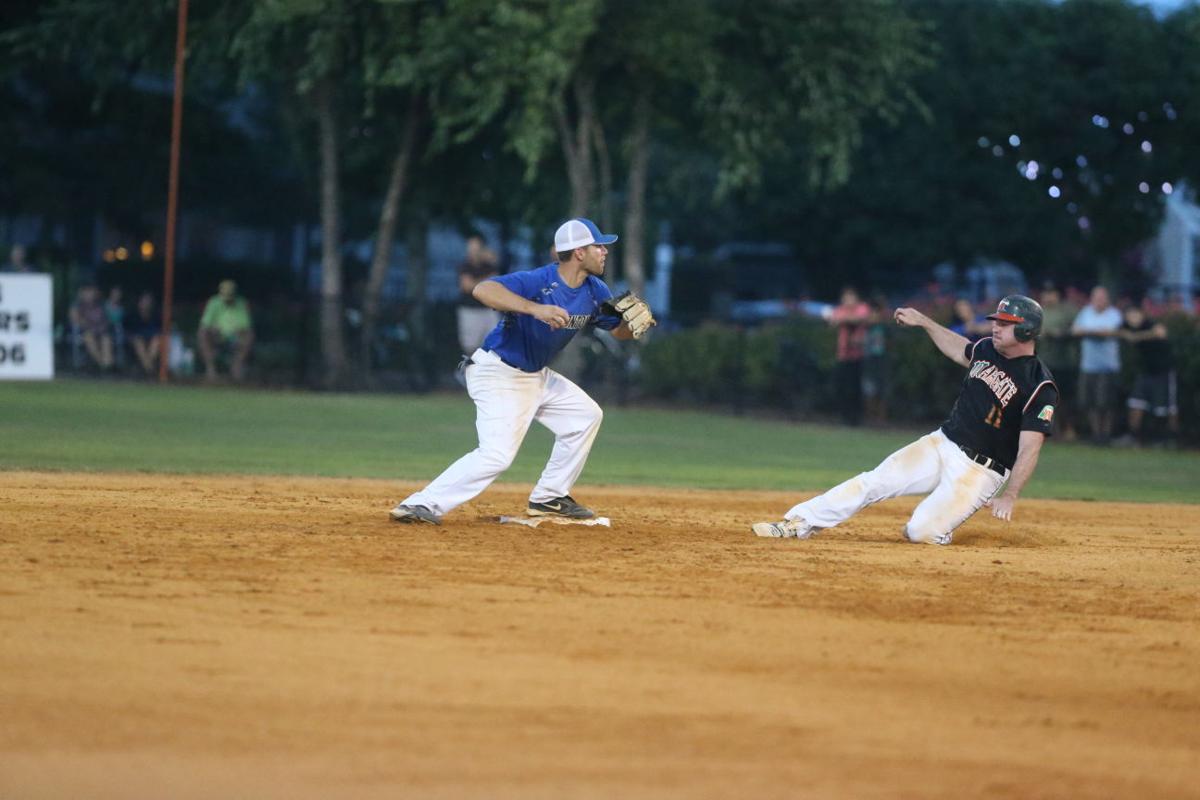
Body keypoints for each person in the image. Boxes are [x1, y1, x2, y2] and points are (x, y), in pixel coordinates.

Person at [752, 295, 1058, 546]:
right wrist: (924, 322)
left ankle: (939, 526)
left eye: (1007, 323)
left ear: (1027, 331)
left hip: (981, 470)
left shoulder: (1039, 385)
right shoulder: (987, 349)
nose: (997, 327)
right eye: (998, 321)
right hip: (943, 442)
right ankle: (799, 522)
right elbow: (959, 348)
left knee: (920, 533)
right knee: (874, 481)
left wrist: (1011, 494)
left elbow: (1030, 447)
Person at [390, 217, 638, 525]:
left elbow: (619, 332)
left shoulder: (594, 290)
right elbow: (483, 289)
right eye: (598, 245)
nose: (605, 251)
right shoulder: (540, 281)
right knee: (496, 454)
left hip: (536, 376)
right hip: (498, 372)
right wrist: (535, 308)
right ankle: (420, 504)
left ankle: (550, 497)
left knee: (586, 416)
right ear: (578, 253)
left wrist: (633, 324)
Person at [1118, 305, 1178, 447]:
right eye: (1129, 315)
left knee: (1166, 408)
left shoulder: (1150, 324)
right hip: (1145, 372)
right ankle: (1133, 436)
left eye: (1135, 314)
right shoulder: (1126, 326)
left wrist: (1138, 336)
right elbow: (1119, 333)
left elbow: (1161, 333)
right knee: (1135, 404)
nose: (1132, 318)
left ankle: (1169, 438)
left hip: (1163, 372)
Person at [1071, 286, 1122, 444]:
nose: (1099, 301)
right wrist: (1095, 332)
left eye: (1102, 298)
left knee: (1105, 403)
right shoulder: (1085, 312)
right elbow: (1075, 331)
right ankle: (1096, 434)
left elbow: (1109, 332)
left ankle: (1106, 434)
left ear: (1107, 299)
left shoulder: (1114, 314)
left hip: (1107, 366)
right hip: (1088, 366)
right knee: (1090, 402)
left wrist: (1088, 331)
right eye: (1096, 297)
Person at [1036, 284, 1079, 440]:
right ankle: (1051, 429)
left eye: (1051, 293)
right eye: (1045, 293)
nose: (1048, 296)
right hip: (1044, 362)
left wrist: (1058, 334)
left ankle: (1069, 428)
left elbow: (1076, 330)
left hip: (1064, 361)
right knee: (1046, 398)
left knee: (1066, 398)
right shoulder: (1038, 311)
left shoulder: (1067, 311)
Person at [828, 286, 870, 426]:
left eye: (851, 297)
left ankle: (856, 418)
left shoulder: (862, 308)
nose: (848, 301)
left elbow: (859, 319)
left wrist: (845, 319)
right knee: (842, 387)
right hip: (843, 355)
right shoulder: (841, 310)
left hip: (858, 355)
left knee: (855, 387)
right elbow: (833, 321)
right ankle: (843, 417)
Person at [198, 279, 254, 381]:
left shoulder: (241, 303)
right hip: (216, 336)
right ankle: (211, 369)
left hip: (235, 338)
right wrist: (214, 330)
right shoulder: (213, 302)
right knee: (203, 334)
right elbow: (205, 326)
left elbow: (246, 327)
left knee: (249, 335)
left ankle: (237, 368)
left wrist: (236, 332)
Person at [456, 235, 502, 356]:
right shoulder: (465, 265)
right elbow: (466, 286)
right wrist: (484, 282)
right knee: (470, 346)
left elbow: (494, 282)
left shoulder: (489, 265)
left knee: (493, 344)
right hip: (470, 310)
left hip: (488, 310)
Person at [69, 284, 115, 370]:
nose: (90, 294)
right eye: (87, 292)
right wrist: (85, 324)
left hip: (101, 331)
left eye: (92, 292)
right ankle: (102, 364)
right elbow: (75, 320)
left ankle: (108, 364)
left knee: (106, 339)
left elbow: (106, 320)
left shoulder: (100, 305)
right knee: (89, 337)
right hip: (84, 333)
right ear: (82, 293)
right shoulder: (77, 305)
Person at [861, 297, 890, 425]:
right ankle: (870, 418)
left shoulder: (885, 328)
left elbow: (890, 345)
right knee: (869, 391)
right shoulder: (866, 328)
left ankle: (881, 419)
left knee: (882, 392)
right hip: (870, 363)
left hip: (882, 363)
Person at [127, 291, 162, 375]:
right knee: (138, 342)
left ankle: (147, 367)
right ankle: (149, 369)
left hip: (151, 338)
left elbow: (158, 330)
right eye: (145, 301)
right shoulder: (133, 314)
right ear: (140, 302)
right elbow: (130, 330)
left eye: (148, 301)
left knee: (156, 340)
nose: (147, 303)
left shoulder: (155, 315)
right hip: (136, 339)